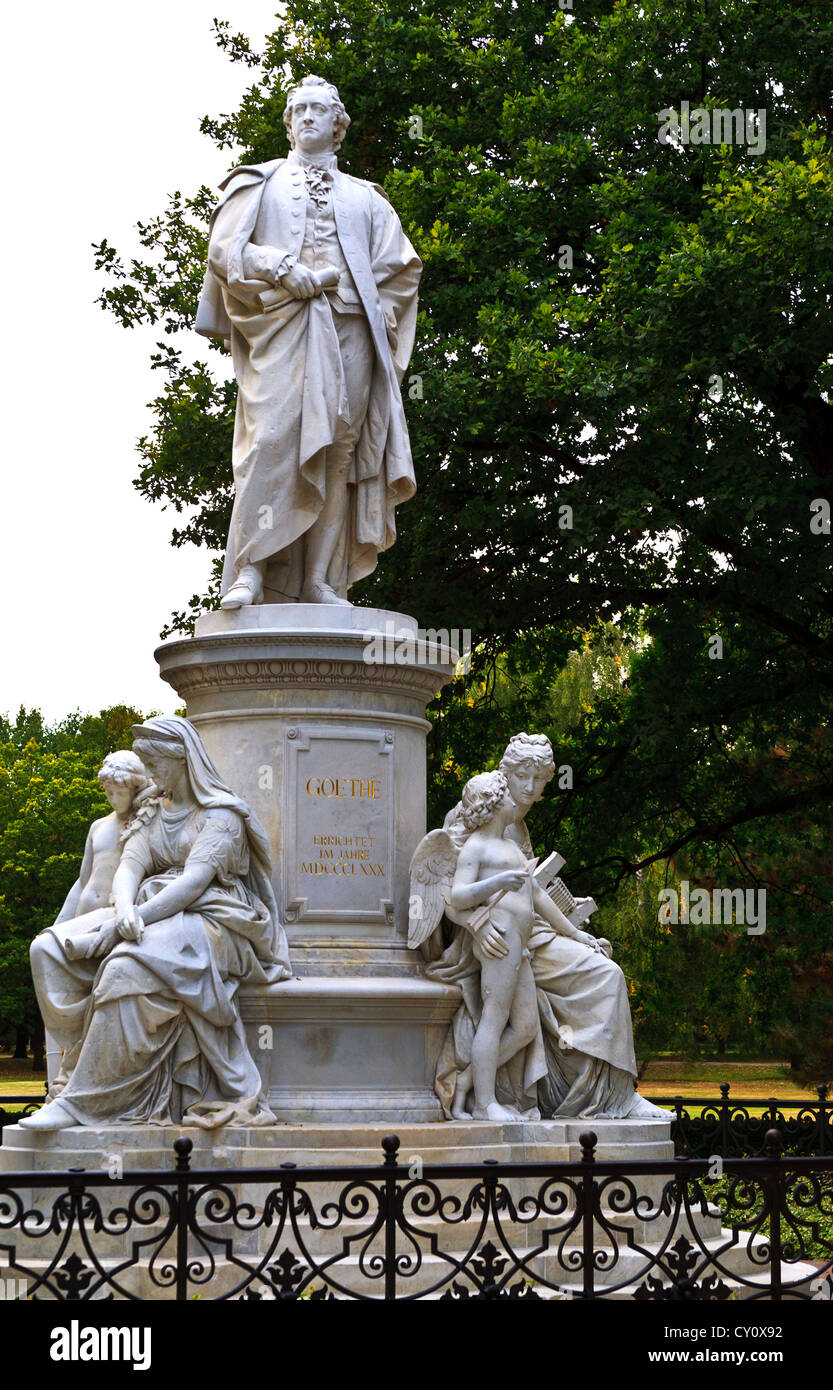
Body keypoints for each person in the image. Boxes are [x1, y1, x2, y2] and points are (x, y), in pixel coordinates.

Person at [196, 74, 422, 608]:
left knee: (340, 456)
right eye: (298, 110)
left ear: (338, 126)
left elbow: (401, 269)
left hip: (351, 332)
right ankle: (249, 569)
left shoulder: (366, 199)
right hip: (284, 328)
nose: (306, 118)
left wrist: (381, 316)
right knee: (270, 443)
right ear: (289, 121)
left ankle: (322, 580)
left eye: (319, 110)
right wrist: (278, 268)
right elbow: (226, 252)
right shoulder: (259, 182)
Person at [23, 717, 292, 1130]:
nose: (149, 774)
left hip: (217, 919)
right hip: (155, 908)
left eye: (155, 764)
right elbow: (131, 865)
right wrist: (126, 908)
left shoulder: (221, 816)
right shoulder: (153, 808)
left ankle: (86, 1100)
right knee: (46, 951)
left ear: (181, 759)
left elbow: (193, 883)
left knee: (123, 967)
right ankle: (78, 1065)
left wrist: (124, 926)